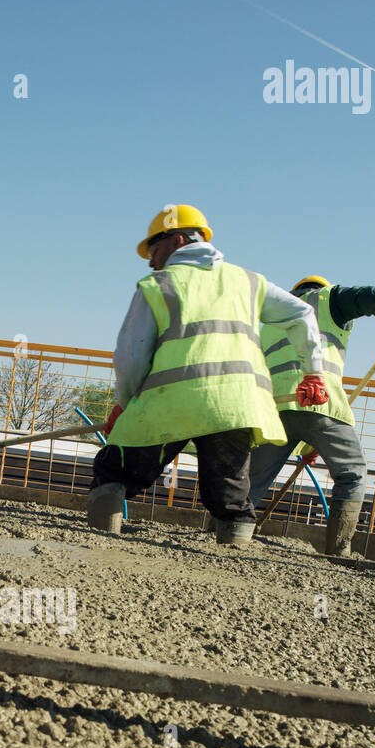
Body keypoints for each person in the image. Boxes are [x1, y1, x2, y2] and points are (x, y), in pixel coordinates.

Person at [89, 205, 327, 545]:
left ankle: (97, 542)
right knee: (230, 496)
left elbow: (131, 356)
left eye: (152, 248)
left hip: (169, 401)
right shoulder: (248, 281)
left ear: (176, 240)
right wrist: (313, 373)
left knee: (116, 472)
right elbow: (302, 312)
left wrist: (125, 404)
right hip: (235, 406)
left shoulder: (158, 285)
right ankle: (232, 556)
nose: (149, 259)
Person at [251, 275, 375, 555]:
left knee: (251, 481)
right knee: (352, 474)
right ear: (321, 288)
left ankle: (231, 534)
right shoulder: (328, 301)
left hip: (273, 408)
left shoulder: (271, 320)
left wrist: (310, 443)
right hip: (318, 401)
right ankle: (339, 551)